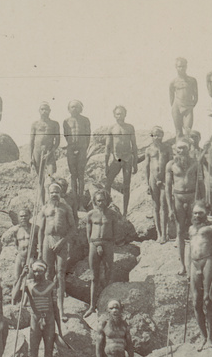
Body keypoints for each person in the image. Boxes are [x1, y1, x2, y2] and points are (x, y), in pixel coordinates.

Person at [20, 259, 63, 357]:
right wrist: (22, 277)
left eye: (40, 270)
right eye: (35, 270)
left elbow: (55, 307)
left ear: (45, 271)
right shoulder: (28, 283)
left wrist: (60, 329)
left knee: (48, 356)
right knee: (32, 355)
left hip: (49, 322)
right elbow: (15, 296)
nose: (37, 273)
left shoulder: (51, 285)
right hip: (35, 321)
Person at [34, 181, 77, 316]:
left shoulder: (66, 208)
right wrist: (40, 248)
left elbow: (73, 228)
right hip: (47, 239)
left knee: (60, 274)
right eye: (52, 192)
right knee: (47, 273)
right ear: (48, 193)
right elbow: (41, 230)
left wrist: (62, 242)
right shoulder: (44, 208)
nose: (54, 195)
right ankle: (47, 306)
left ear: (61, 194)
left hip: (61, 241)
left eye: (56, 192)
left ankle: (61, 308)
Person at [187, 201, 212, 351]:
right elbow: (189, 248)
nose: (197, 215)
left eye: (200, 213)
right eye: (195, 213)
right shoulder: (190, 229)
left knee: (208, 300)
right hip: (194, 264)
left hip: (207, 261)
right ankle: (203, 337)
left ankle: (211, 338)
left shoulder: (211, 228)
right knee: (196, 302)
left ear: (206, 214)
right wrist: (187, 268)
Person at [165, 137, 202, 275]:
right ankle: (182, 265)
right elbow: (168, 188)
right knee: (180, 231)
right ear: (175, 149)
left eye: (184, 148)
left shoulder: (195, 163)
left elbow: (201, 184)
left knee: (195, 231)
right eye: (179, 148)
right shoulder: (170, 165)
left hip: (193, 198)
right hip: (178, 199)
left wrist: (202, 204)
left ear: (189, 149)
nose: (181, 150)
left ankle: (193, 262)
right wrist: (170, 208)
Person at [84, 188, 121, 317]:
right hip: (94, 244)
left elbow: (115, 232)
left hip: (108, 244)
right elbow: (88, 235)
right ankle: (92, 306)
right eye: (98, 200)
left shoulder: (112, 214)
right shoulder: (90, 214)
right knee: (94, 277)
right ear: (95, 201)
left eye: (103, 200)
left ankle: (108, 304)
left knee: (108, 273)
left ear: (107, 200)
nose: (101, 203)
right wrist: (96, 245)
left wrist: (107, 245)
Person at [105, 105, 138, 217]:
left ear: (125, 114)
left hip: (128, 158)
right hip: (116, 158)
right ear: (114, 115)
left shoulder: (130, 127)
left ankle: (125, 211)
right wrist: (105, 164)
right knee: (108, 182)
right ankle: (107, 205)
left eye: (122, 113)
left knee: (126, 185)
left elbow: (134, 145)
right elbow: (108, 146)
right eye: (118, 114)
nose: (120, 116)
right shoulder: (112, 128)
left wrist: (135, 163)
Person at [144, 126, 172, 244]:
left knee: (164, 206)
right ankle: (158, 234)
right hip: (153, 179)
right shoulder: (149, 150)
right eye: (154, 135)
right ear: (151, 136)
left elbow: (170, 163)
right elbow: (146, 166)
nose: (157, 137)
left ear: (162, 135)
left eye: (159, 135)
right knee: (156, 206)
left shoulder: (167, 148)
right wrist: (147, 183)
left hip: (164, 179)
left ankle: (165, 234)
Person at [63, 100, 91, 210]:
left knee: (81, 176)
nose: (74, 109)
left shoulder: (85, 120)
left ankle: (80, 204)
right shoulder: (66, 121)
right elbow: (66, 135)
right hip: (71, 149)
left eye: (77, 107)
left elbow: (88, 135)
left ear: (81, 108)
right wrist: (72, 146)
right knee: (73, 176)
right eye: (72, 107)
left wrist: (83, 148)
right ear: (68, 109)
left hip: (82, 149)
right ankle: (75, 203)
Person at [30, 102, 60, 202]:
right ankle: (42, 204)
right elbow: (31, 141)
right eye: (42, 109)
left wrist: (50, 152)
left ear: (49, 111)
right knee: (40, 180)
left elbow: (57, 141)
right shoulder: (35, 124)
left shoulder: (54, 124)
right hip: (37, 152)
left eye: (46, 109)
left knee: (51, 178)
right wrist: (31, 157)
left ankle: (52, 201)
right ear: (39, 111)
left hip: (49, 153)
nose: (44, 111)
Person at [1, 207, 33, 297]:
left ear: (29, 216)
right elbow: (16, 244)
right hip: (20, 256)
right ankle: (14, 300)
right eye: (21, 216)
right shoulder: (17, 230)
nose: (23, 218)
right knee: (16, 278)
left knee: (29, 279)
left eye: (25, 216)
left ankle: (27, 301)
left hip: (30, 256)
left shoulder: (34, 229)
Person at [169, 57, 199, 137]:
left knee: (188, 131)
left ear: (186, 66)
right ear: (176, 67)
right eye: (179, 66)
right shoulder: (173, 82)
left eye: (183, 66)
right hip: (177, 107)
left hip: (188, 108)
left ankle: (188, 148)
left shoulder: (192, 80)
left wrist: (190, 106)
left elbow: (196, 97)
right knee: (178, 132)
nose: (181, 68)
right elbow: (171, 97)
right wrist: (175, 107)